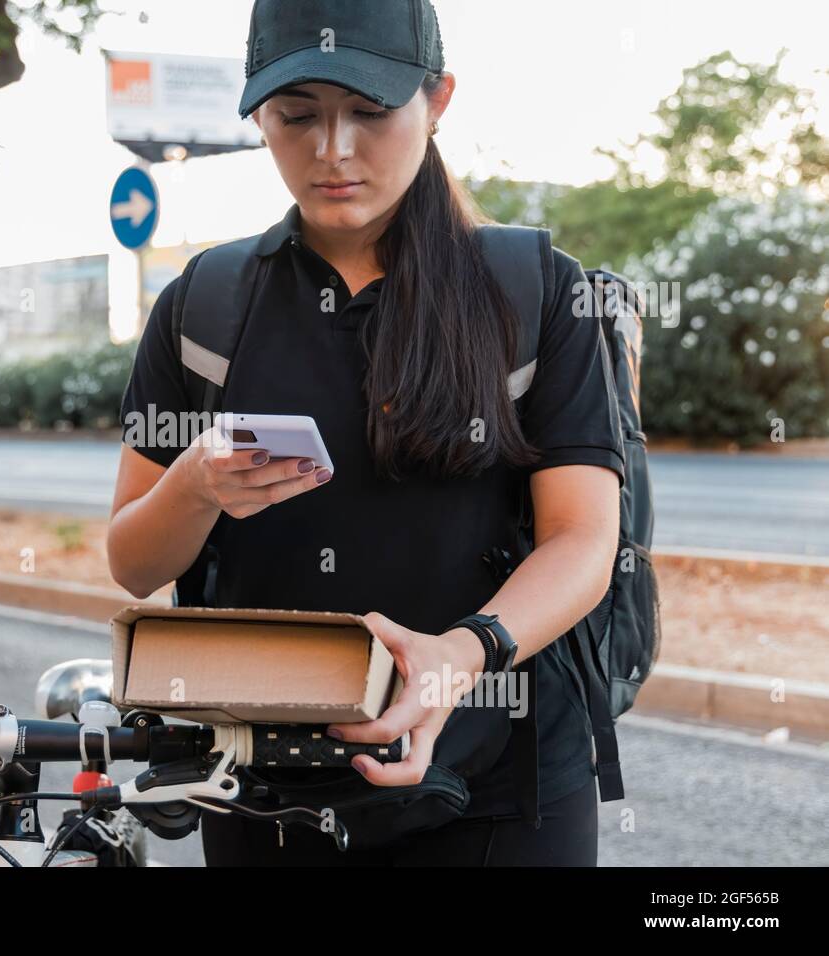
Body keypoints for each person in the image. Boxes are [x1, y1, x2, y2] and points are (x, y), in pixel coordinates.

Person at [106, 0, 624, 866]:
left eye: (371, 114)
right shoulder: (205, 303)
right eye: (296, 116)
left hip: (500, 791)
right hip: (262, 786)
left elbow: (582, 540)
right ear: (259, 116)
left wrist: (459, 657)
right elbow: (132, 561)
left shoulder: (535, 291)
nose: (332, 150)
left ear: (439, 100)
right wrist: (193, 486)